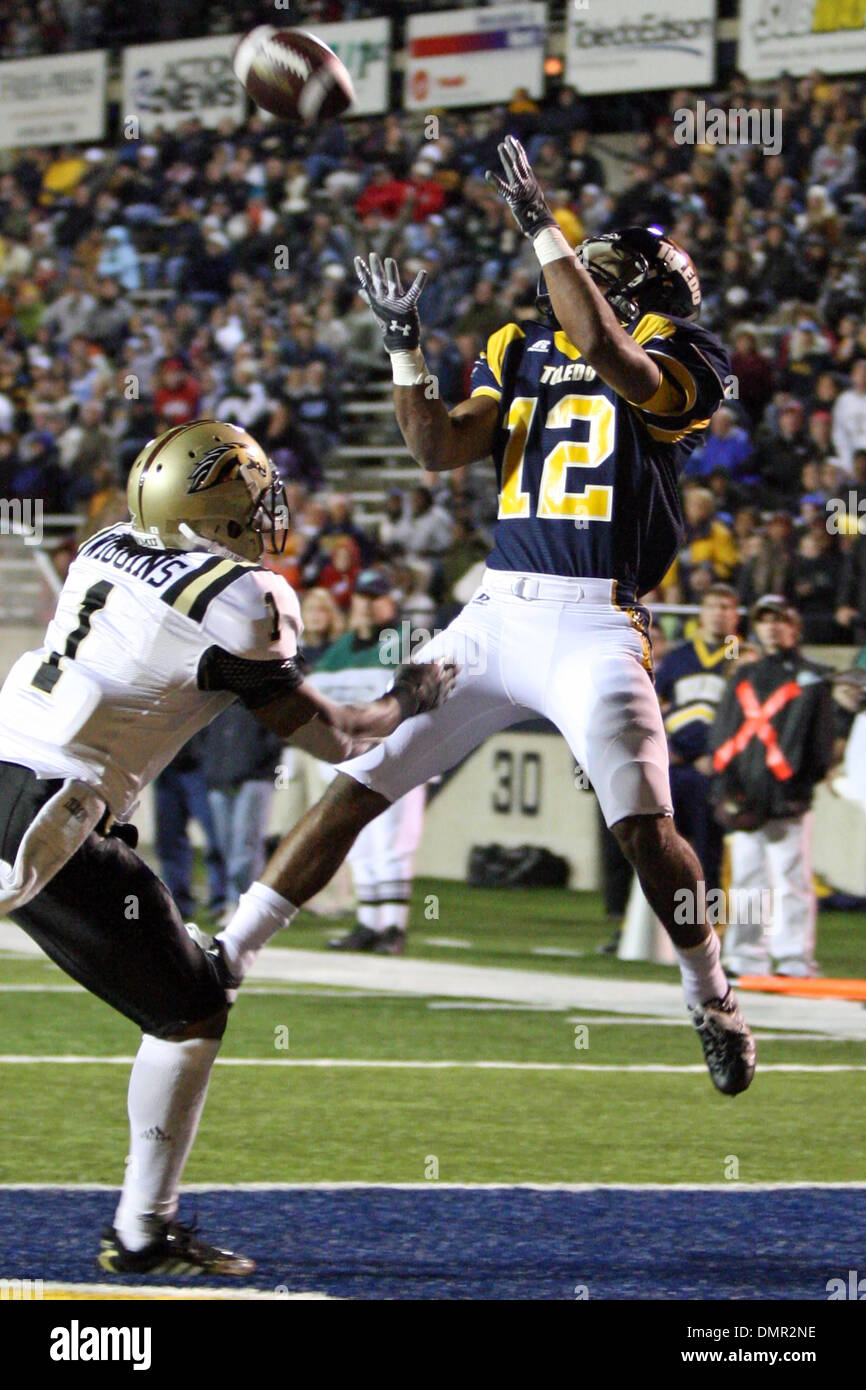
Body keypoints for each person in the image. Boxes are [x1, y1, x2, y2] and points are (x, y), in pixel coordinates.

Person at [212, 137, 756, 1098]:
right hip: (496, 611)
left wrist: (546, 221)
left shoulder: (689, 357)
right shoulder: (515, 345)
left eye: (598, 268)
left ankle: (710, 992)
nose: (573, 276)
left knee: (641, 822)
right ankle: (227, 956)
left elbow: (611, 359)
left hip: (599, 620)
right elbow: (436, 447)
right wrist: (403, 345)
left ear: (640, 290)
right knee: (362, 777)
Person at [0, 419, 454, 1277]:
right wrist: (410, 697)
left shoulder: (100, 547)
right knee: (191, 1009)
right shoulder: (241, 598)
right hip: (46, 814)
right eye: (252, 497)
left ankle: (143, 1230)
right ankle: (141, 1230)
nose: (268, 511)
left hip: (16, 779)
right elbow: (338, 740)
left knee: (187, 998)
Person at [710, 596, 836, 979]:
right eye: (764, 621)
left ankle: (794, 958)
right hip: (747, 792)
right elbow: (724, 733)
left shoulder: (814, 677)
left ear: (794, 627)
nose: (772, 627)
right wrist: (727, 786)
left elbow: (821, 741)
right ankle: (746, 956)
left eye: (780, 620)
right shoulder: (744, 677)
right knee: (747, 879)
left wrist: (802, 785)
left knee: (791, 878)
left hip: (788, 794)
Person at [310, 569, 428, 957]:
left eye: (374, 597)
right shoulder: (340, 648)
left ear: (388, 603)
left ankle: (392, 928)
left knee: (391, 845)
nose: (364, 603)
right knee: (360, 844)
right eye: (360, 596)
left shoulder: (403, 641)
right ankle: (369, 923)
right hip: (350, 761)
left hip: (393, 757)